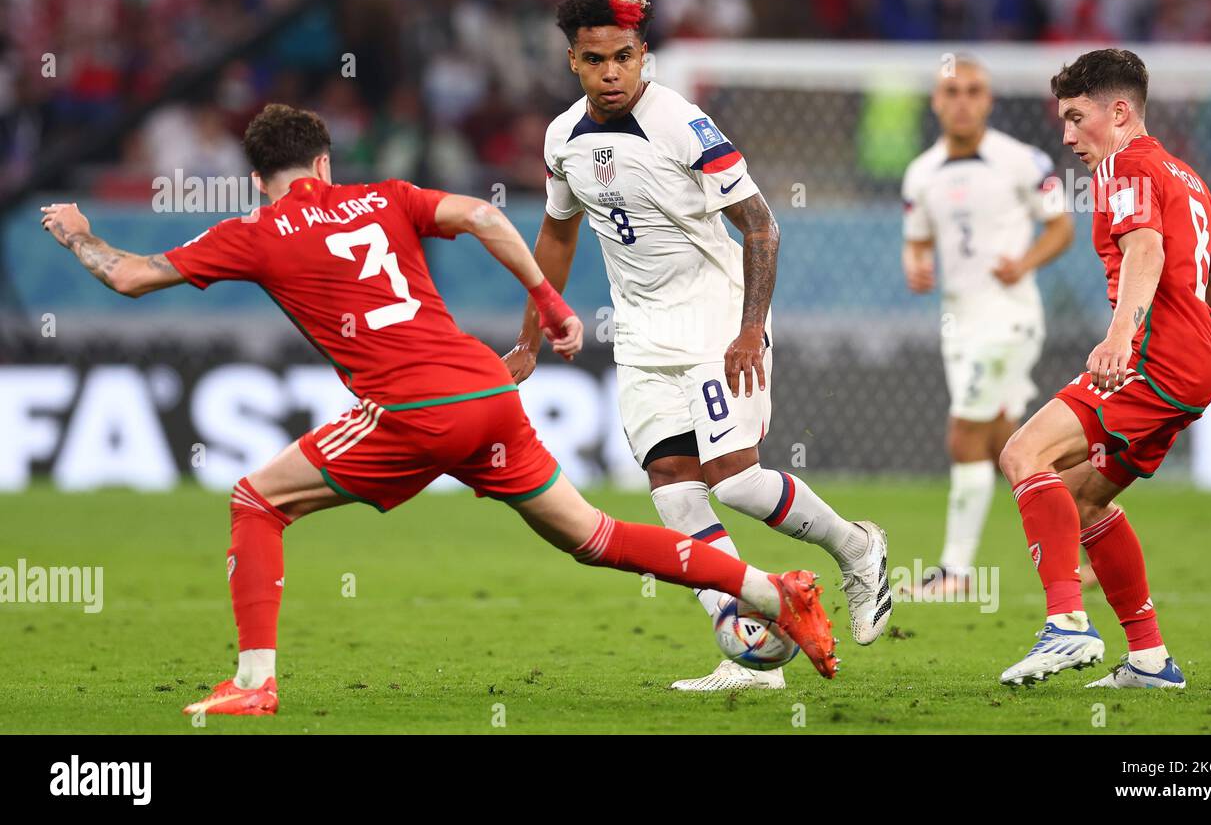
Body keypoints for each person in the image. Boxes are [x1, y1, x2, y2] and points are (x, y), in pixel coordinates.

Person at [39, 103, 840, 715]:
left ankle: (255, 682)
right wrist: (548, 303)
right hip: (487, 386)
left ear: (259, 178)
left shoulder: (256, 229)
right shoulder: (382, 197)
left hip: (414, 404)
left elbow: (132, 276)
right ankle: (775, 593)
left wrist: (78, 235)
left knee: (257, 500)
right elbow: (487, 215)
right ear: (324, 162)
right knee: (594, 536)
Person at [504, 0, 892, 692]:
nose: (612, 72)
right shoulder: (564, 137)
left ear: (644, 54)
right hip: (642, 332)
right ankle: (745, 645)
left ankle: (858, 548)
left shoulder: (680, 122)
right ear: (573, 64)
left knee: (737, 482)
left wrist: (749, 330)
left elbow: (762, 224)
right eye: (596, 60)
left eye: (625, 56)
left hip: (717, 320)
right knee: (672, 490)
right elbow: (557, 234)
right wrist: (533, 334)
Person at [998, 49, 1211, 689]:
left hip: (1154, 358)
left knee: (1023, 455)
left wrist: (1120, 337)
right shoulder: (1186, 177)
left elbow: (1147, 248)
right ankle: (1151, 661)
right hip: (1197, 365)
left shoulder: (1122, 166)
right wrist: (1196, 332)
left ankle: (1067, 626)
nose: (1068, 135)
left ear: (1120, 111)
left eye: (1077, 118)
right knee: (1080, 497)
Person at [901, 55, 1073, 596]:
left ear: (989, 100)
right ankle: (1089, 535)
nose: (962, 101)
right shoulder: (920, 173)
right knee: (1014, 446)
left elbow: (1062, 226)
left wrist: (1024, 263)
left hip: (1009, 321)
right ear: (936, 101)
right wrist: (916, 265)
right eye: (952, 91)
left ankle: (955, 571)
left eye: (974, 91)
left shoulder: (1023, 161)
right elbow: (917, 239)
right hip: (959, 322)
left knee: (964, 434)